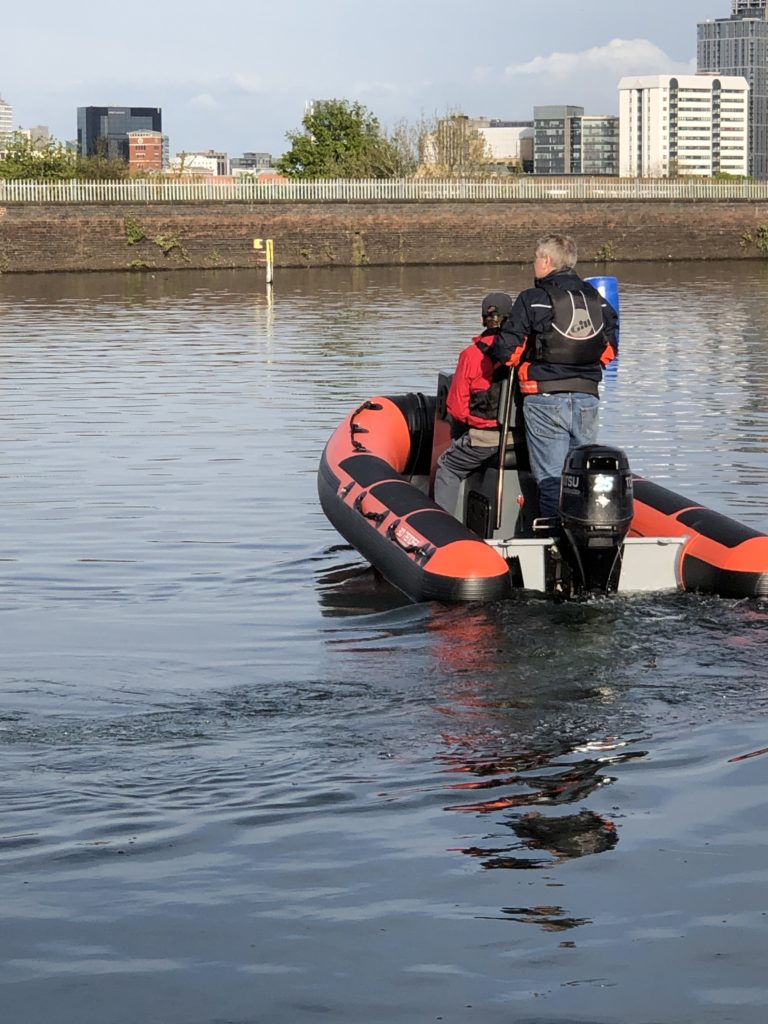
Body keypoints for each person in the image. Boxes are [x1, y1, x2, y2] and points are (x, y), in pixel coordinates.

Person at [490, 234, 618, 523]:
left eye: (535, 258)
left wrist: (523, 363)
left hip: (544, 398)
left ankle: (555, 545)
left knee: (551, 480)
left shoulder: (532, 299)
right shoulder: (595, 299)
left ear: (546, 261)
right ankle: (582, 537)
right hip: (587, 397)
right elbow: (610, 346)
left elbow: (508, 352)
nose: (534, 263)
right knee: (581, 477)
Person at [434, 292, 515, 515]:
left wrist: (476, 422)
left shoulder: (471, 356)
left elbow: (457, 408)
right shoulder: (525, 353)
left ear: (482, 320)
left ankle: (442, 530)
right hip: (522, 439)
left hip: (485, 437)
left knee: (448, 467)